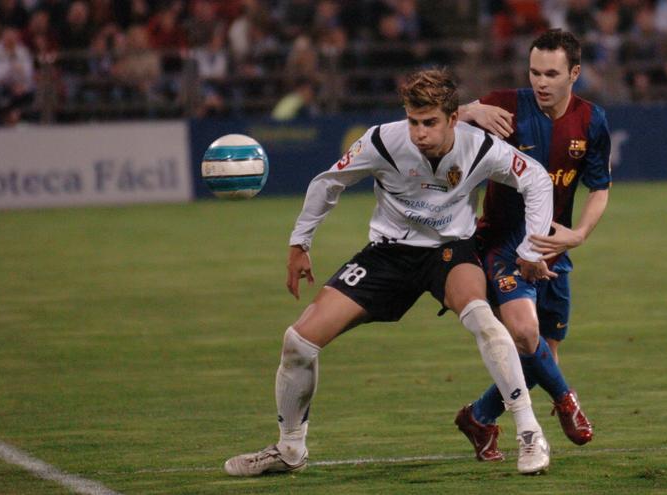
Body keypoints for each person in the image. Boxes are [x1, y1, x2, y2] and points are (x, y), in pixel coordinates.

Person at [223, 68, 556, 476]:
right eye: (413, 121)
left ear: (454, 119)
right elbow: (328, 182)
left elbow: (536, 178)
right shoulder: (382, 140)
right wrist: (300, 243)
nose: (419, 132)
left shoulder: (480, 148)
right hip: (388, 255)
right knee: (297, 342)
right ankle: (290, 449)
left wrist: (531, 246)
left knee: (484, 320)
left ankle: (529, 431)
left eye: (430, 122)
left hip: (449, 252)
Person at [453, 28, 612, 461]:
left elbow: (600, 188)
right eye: (534, 72)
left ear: (574, 73)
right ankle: (567, 403)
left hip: (552, 247)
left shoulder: (591, 121)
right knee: (526, 334)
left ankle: (479, 416)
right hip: (502, 244)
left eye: (551, 73)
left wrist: (578, 234)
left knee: (542, 359)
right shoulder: (503, 105)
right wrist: (469, 111)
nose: (541, 82)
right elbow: (431, 116)